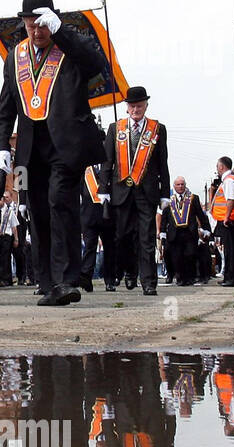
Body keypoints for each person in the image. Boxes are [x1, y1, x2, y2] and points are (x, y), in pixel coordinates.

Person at [0, 0, 108, 306]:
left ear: (52, 22)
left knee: (61, 204)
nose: (37, 31)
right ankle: (47, 281)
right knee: (38, 212)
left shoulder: (68, 48)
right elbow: (6, 106)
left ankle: (65, 280)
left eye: (42, 25)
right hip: (29, 150)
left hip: (65, 145)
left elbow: (97, 63)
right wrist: (2, 146)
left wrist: (63, 31)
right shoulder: (14, 56)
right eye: (31, 25)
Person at [103, 86, 169, 296]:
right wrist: (103, 188)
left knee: (146, 238)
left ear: (146, 106)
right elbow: (108, 161)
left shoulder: (157, 129)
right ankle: (129, 271)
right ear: (127, 108)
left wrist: (165, 192)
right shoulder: (115, 128)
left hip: (146, 191)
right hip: (121, 191)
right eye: (132, 106)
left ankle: (149, 282)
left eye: (139, 105)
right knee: (122, 237)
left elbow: (162, 163)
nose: (136, 109)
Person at [160, 176, 210, 288]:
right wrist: (162, 232)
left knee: (190, 255)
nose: (180, 186)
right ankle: (180, 278)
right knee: (177, 257)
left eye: (182, 184)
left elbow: (201, 215)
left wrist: (206, 229)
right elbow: (164, 218)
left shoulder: (193, 198)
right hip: (174, 234)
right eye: (178, 184)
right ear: (174, 186)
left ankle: (189, 278)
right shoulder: (169, 200)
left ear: (185, 185)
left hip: (189, 233)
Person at [79, 160, 116, 291]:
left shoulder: (111, 166)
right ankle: (86, 279)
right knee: (89, 248)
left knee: (110, 250)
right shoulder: (85, 168)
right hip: (89, 215)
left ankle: (110, 281)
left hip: (108, 214)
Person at [209, 155, 234, 286]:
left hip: (230, 220)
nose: (217, 169)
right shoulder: (230, 179)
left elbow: (230, 199)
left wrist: (226, 217)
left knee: (231, 250)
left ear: (221, 166)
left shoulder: (229, 180)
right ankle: (230, 277)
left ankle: (232, 278)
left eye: (217, 167)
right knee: (231, 249)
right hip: (232, 219)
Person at [0, 195, 19, 287]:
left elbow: (14, 226)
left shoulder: (10, 212)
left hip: (6, 237)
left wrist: (16, 239)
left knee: (5, 258)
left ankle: (6, 279)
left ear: (4, 201)